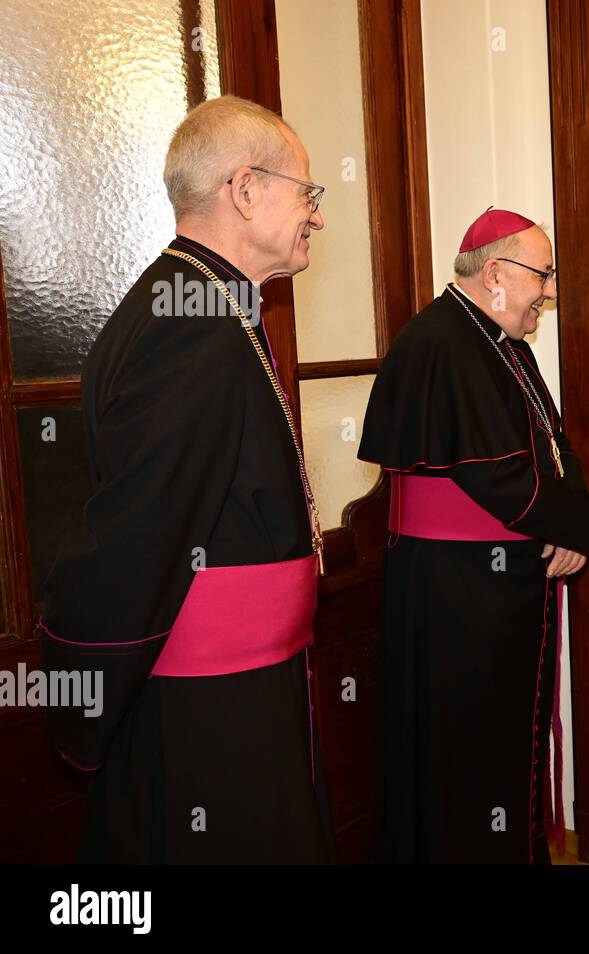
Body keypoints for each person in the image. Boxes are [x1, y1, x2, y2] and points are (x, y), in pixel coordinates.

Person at [39, 95, 333, 862]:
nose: (317, 216)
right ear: (244, 190)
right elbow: (139, 535)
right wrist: (83, 699)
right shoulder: (193, 325)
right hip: (208, 709)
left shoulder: (205, 304)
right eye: (308, 192)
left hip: (237, 689)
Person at [358, 207, 589, 864]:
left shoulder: (502, 343)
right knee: (469, 754)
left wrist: (572, 522)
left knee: (505, 746)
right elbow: (502, 480)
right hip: (457, 597)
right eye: (545, 273)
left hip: (497, 580)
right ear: (498, 272)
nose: (552, 290)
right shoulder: (444, 343)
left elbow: (552, 448)